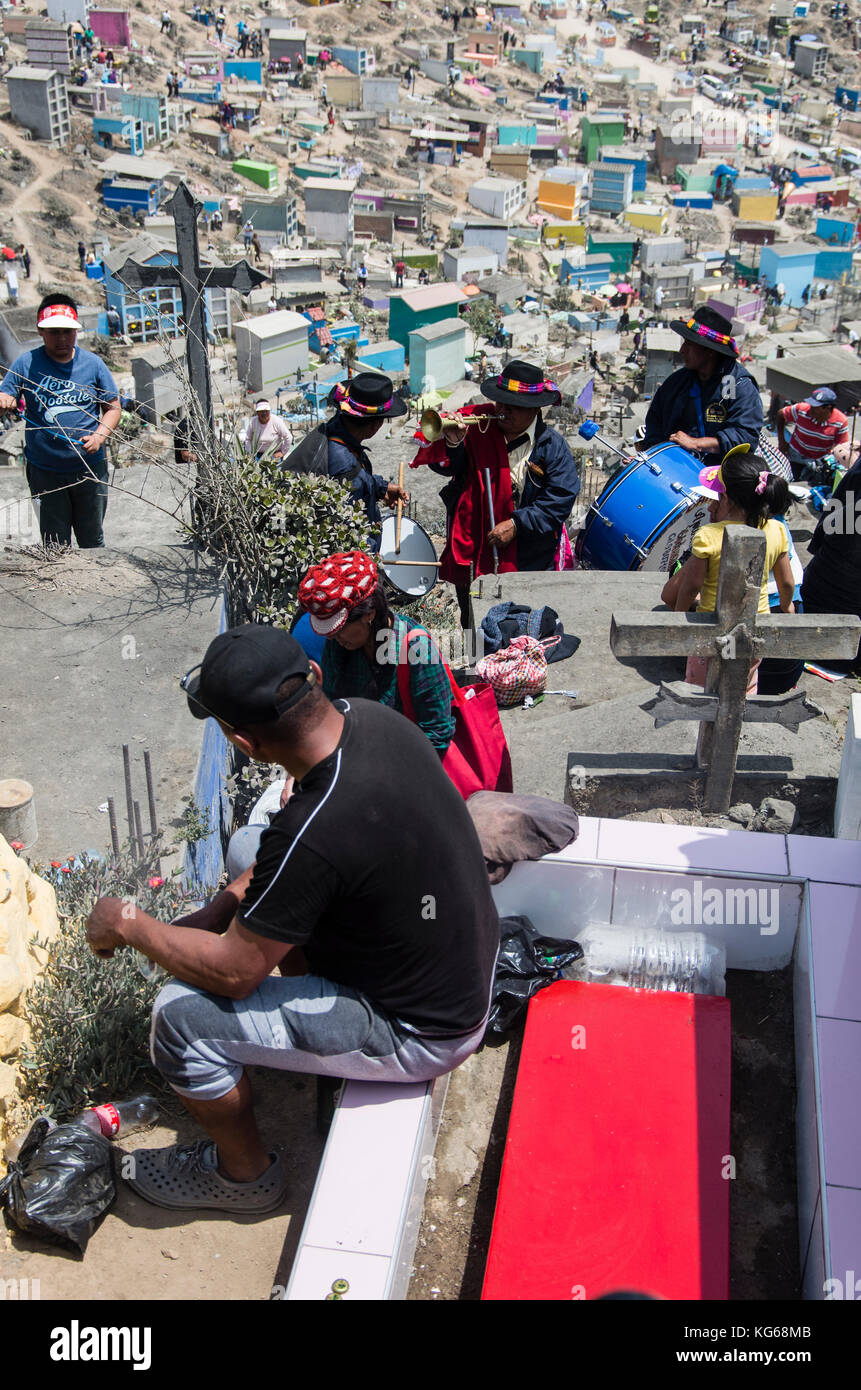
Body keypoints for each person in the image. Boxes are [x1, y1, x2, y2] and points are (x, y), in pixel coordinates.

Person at [85, 624, 498, 1213]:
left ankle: (242, 1178)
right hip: (456, 967)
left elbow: (233, 973)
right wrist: (219, 907)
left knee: (178, 1018)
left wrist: (127, 922)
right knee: (250, 852)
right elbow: (292, 852)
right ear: (315, 677)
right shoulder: (371, 721)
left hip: (419, 1029)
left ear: (244, 743)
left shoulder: (317, 829)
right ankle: (291, 1036)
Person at [412, 361, 581, 625]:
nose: (503, 410)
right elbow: (450, 470)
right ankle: (474, 662)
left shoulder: (553, 447)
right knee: (473, 622)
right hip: (475, 552)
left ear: (536, 409)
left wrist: (517, 523)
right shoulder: (479, 429)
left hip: (528, 560)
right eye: (501, 402)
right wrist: (454, 442)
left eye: (514, 406)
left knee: (521, 624)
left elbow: (559, 501)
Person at [661, 453, 796, 693]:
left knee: (699, 688)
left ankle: (698, 726)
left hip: (712, 631)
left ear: (728, 500)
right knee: (744, 683)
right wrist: (787, 608)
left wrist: (679, 620)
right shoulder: (776, 530)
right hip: (755, 630)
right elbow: (786, 583)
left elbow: (691, 586)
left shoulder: (709, 535)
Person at [299, 550, 455, 755]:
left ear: (369, 613)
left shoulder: (416, 649)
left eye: (339, 630)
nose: (333, 639)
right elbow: (330, 709)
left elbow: (437, 733)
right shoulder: (339, 646)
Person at [0, 295, 120, 549]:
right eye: (54, 332)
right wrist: (4, 401)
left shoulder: (93, 365)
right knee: (55, 543)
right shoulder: (26, 364)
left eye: (68, 331)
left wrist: (99, 436)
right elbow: (5, 397)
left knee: (92, 539)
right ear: (40, 332)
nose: (62, 339)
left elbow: (112, 407)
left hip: (89, 469)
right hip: (45, 473)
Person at [638, 305, 763, 459]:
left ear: (710, 351)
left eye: (689, 345)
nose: (682, 350)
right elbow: (655, 424)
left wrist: (696, 443)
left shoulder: (739, 386)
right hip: (677, 470)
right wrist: (652, 456)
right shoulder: (677, 382)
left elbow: (745, 436)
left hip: (719, 476)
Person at [317, 375, 409, 546]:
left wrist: (382, 488)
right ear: (375, 426)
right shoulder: (344, 464)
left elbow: (357, 477)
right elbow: (352, 534)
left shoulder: (335, 428)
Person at [778, 387, 849, 483]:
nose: (811, 409)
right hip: (796, 455)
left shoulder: (840, 421)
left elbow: (841, 446)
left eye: (816, 407)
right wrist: (781, 441)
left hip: (819, 461)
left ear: (827, 408)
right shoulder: (801, 409)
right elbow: (781, 414)